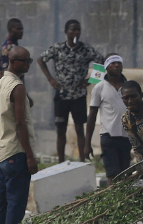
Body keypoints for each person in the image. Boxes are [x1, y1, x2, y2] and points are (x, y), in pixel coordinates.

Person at [38, 19, 103, 163]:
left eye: (78, 30)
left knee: (79, 128)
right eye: (72, 30)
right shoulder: (58, 48)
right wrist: (50, 79)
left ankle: (81, 160)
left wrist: (91, 80)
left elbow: (101, 61)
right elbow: (41, 59)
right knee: (60, 130)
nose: (76, 32)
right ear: (66, 32)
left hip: (79, 95)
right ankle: (61, 162)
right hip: (62, 95)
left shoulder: (86, 49)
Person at [0, 46, 38, 224]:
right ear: (13, 61)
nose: (28, 64)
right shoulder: (17, 87)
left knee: (2, 201)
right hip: (16, 152)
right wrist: (29, 156)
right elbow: (19, 124)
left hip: (0, 152)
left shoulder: (3, 82)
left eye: (30, 61)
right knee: (16, 204)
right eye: (25, 61)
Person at [84, 55, 130, 181]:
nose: (116, 65)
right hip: (108, 137)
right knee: (112, 175)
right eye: (112, 63)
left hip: (127, 137)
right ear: (106, 67)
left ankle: (123, 200)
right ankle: (113, 200)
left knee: (125, 174)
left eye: (119, 63)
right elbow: (92, 116)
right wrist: (87, 144)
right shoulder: (99, 87)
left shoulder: (129, 85)